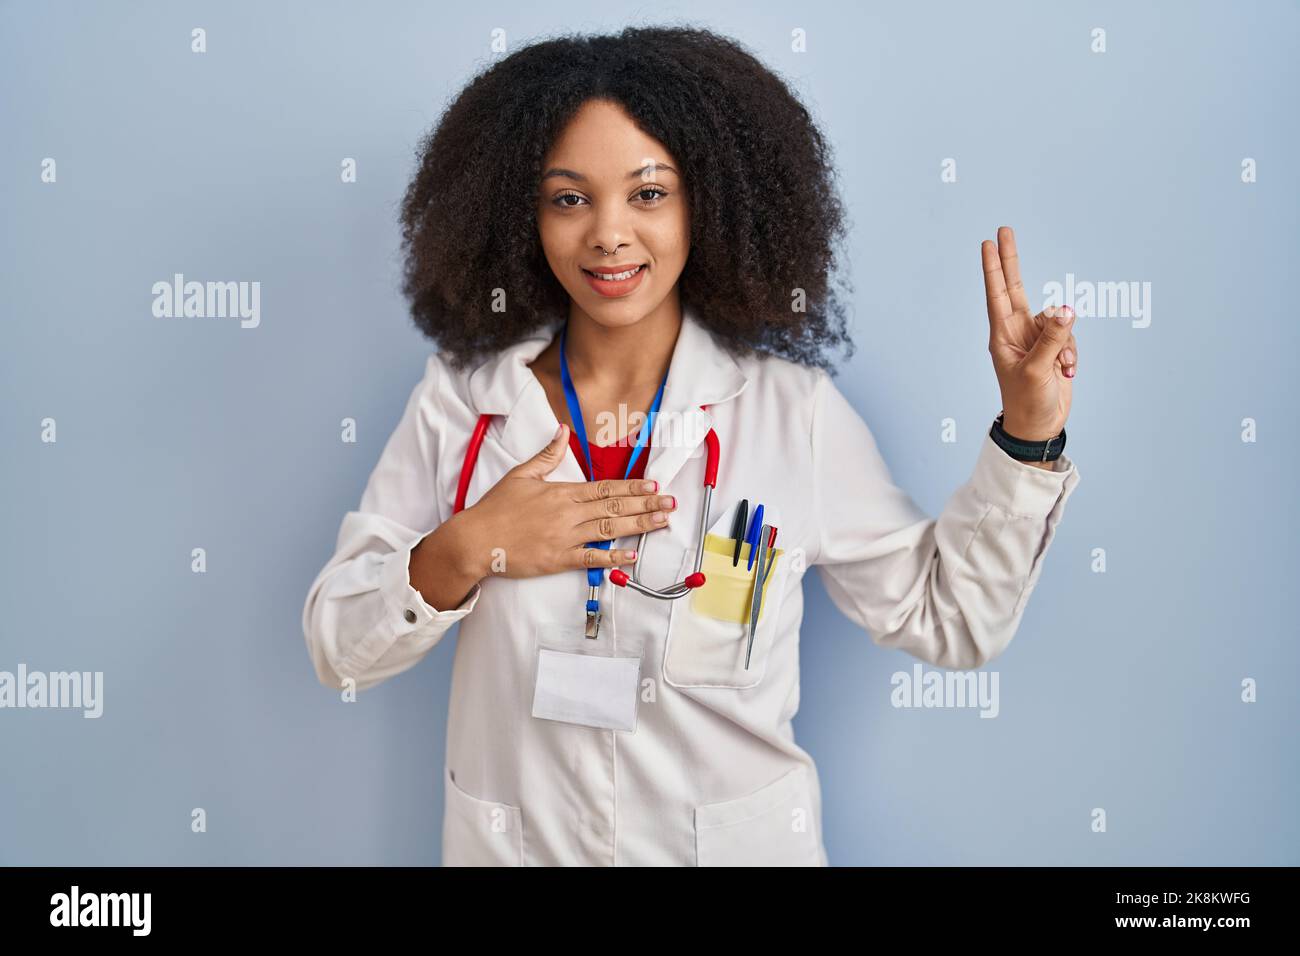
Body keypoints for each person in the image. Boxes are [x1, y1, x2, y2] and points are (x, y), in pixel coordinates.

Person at [301, 26, 1081, 866]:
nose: (606, 234)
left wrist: (1028, 433)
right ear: (519, 213)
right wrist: (467, 547)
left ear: (708, 202)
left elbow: (952, 619)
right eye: (569, 198)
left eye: (648, 194)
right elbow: (340, 649)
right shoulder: (460, 406)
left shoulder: (792, 416)